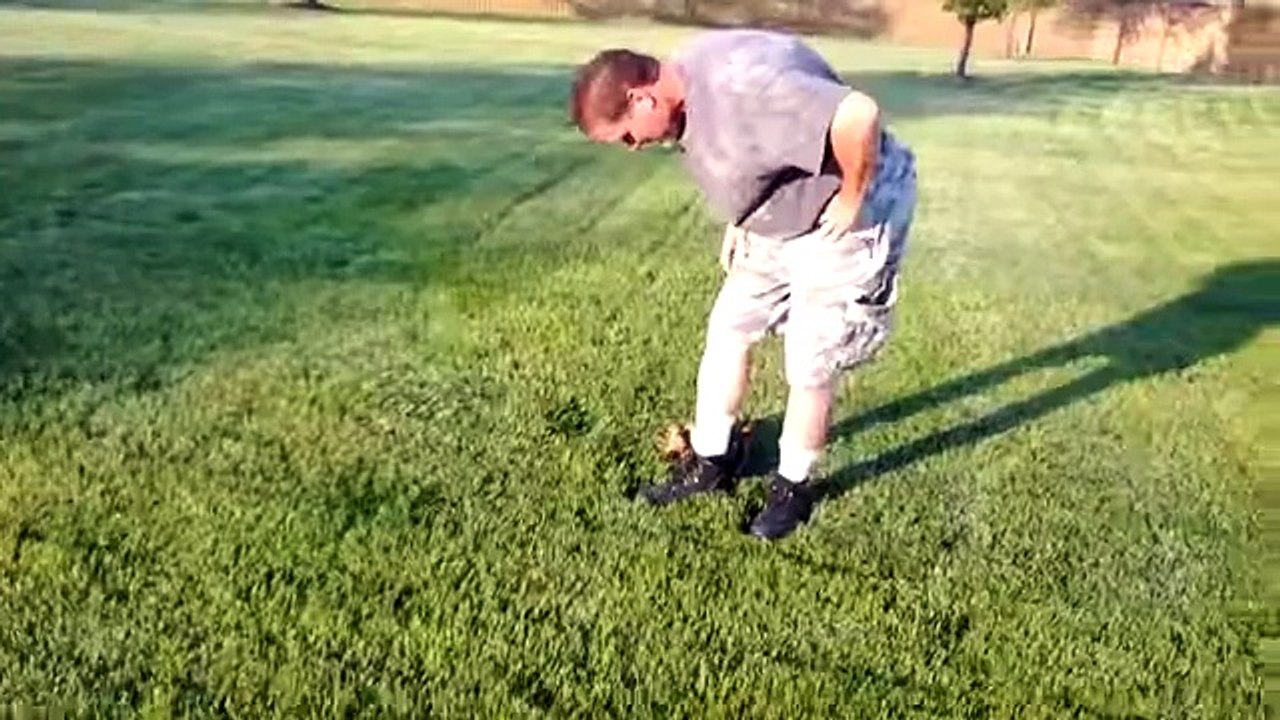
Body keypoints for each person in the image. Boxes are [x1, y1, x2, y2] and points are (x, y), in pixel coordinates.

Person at [568, 28, 918, 540]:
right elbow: (749, 151)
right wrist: (742, 217)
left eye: (625, 134)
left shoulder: (745, 89)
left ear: (641, 97)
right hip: (777, 215)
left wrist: (853, 193)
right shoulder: (686, 77)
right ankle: (712, 461)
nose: (631, 147)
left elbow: (857, 114)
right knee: (729, 328)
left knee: (810, 360)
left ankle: (792, 487)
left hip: (844, 213)